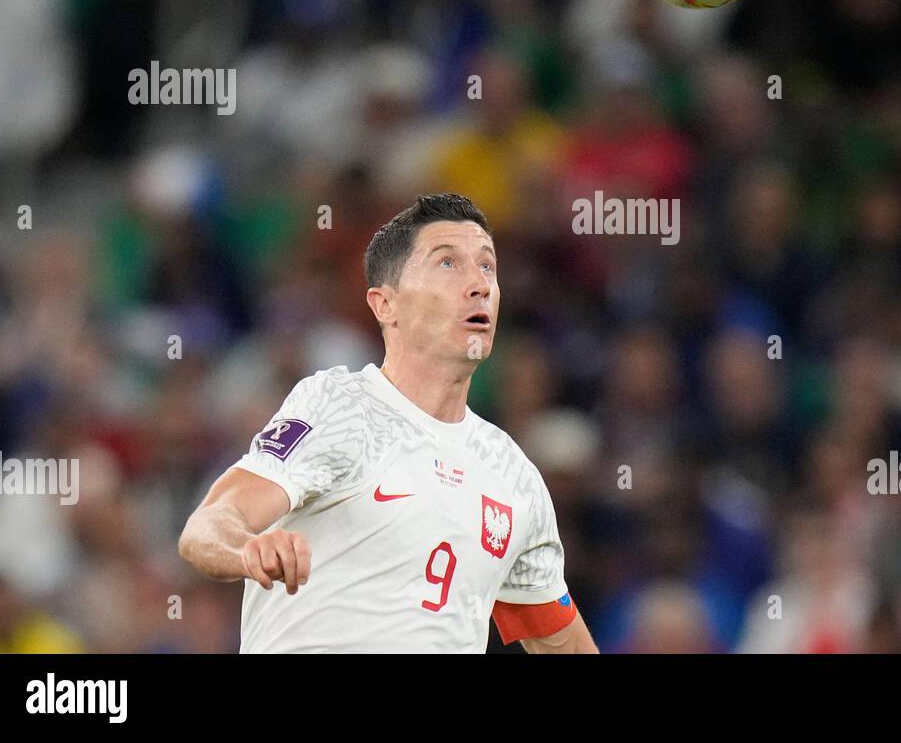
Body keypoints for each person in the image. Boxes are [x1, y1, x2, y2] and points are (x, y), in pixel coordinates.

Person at [178, 193, 597, 653]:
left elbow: (562, 642)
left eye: (487, 266)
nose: (478, 284)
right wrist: (246, 549)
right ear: (385, 305)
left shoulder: (513, 475)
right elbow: (208, 526)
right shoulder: (343, 408)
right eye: (447, 264)